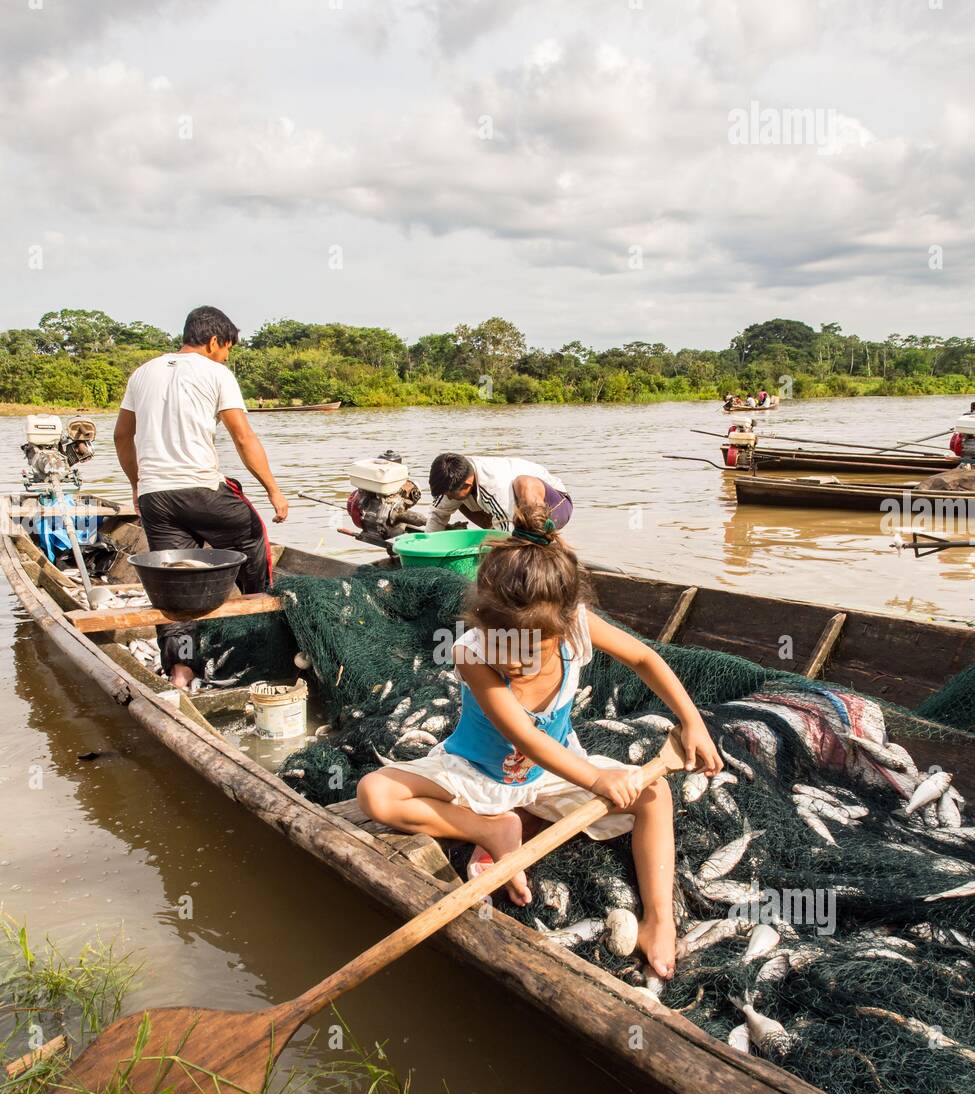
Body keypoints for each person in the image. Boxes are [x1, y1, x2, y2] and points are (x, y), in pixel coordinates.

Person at [357, 503, 722, 979]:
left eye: (529, 651)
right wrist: (597, 778)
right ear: (482, 625)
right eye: (501, 645)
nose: (512, 663)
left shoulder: (577, 628)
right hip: (475, 773)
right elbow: (522, 735)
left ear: (564, 627)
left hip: (553, 772)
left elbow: (645, 660)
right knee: (375, 794)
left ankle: (658, 922)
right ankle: (490, 829)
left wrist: (690, 720)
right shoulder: (472, 654)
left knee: (656, 795)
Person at [114, 306, 288, 686]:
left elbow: (121, 436)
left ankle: (181, 672)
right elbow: (244, 438)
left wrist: (136, 484)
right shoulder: (217, 373)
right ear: (214, 342)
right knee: (252, 533)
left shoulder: (142, 373)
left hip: (155, 498)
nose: (227, 357)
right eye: (227, 349)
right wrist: (274, 491)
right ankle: (258, 628)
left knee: (175, 585)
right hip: (200, 490)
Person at [425, 452, 572, 533]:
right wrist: (427, 548)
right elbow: (438, 514)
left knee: (524, 483)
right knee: (454, 502)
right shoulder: (455, 476)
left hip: (555, 505)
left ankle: (536, 536)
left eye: (450, 493)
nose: (447, 497)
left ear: (467, 484)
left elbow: (506, 534)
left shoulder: (495, 487)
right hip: (508, 509)